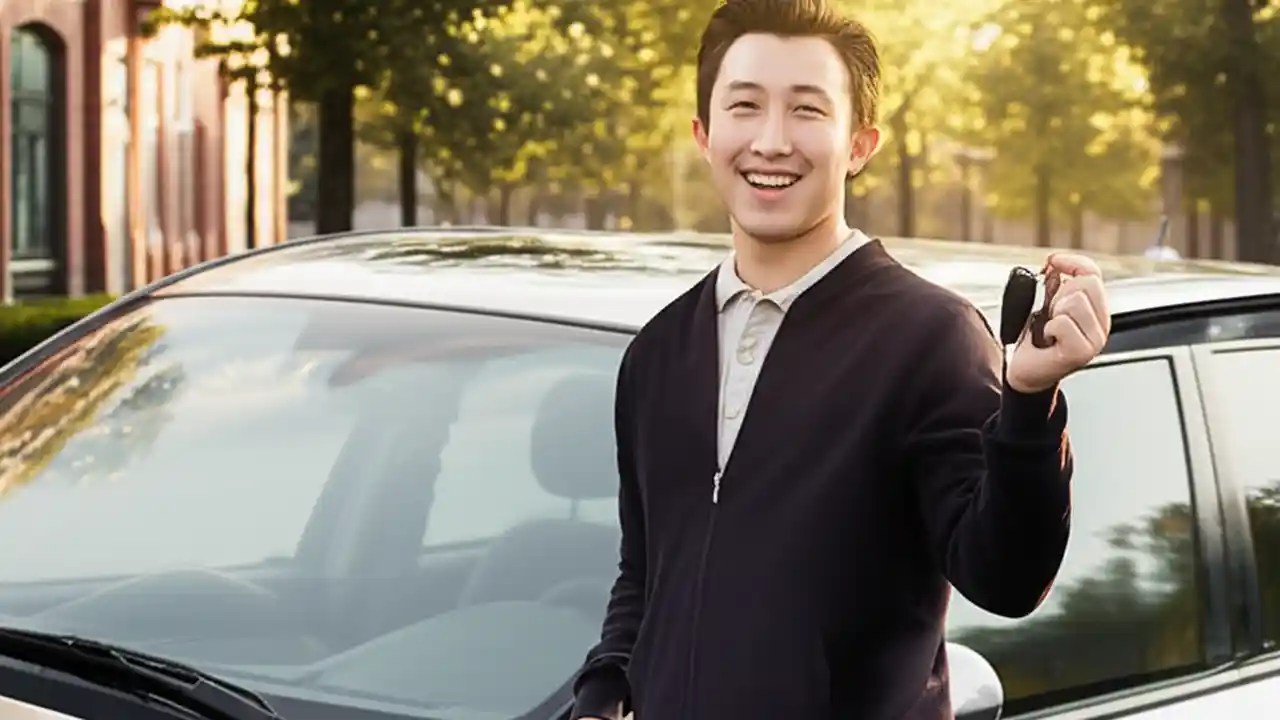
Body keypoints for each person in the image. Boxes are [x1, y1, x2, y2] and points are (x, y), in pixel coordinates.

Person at [570, 0, 1111, 718]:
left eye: (806, 111)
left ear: (859, 144)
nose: (770, 140)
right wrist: (606, 688)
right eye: (745, 106)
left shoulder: (931, 336)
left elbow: (1005, 577)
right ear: (704, 134)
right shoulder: (658, 352)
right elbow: (646, 571)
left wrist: (1030, 404)